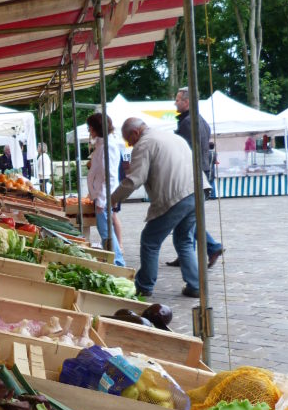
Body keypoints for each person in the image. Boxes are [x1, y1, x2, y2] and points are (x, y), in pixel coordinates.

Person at [110, 118, 208, 299]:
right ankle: (195, 285)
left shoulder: (144, 143)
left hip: (176, 195)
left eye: (128, 140)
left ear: (135, 133)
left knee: (150, 241)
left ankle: (144, 285)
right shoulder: (172, 137)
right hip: (198, 190)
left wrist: (113, 199)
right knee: (184, 240)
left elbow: (135, 179)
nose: (129, 144)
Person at [168, 87, 223, 268]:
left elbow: (186, 152)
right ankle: (187, 254)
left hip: (194, 174)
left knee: (187, 216)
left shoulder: (189, 122)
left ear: (187, 102)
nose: (175, 102)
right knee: (188, 216)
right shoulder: (199, 121)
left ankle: (211, 246)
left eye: (178, 100)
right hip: (201, 173)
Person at [85, 112, 125, 266]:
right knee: (106, 232)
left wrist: (101, 199)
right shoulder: (102, 146)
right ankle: (116, 261)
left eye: (90, 128)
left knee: (106, 233)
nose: (89, 131)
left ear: (95, 129)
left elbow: (109, 177)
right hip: (101, 196)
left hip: (104, 197)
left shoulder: (107, 147)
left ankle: (117, 263)